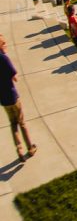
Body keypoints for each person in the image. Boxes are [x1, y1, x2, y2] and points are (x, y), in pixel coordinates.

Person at [0, 33, 36, 161]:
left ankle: (19, 149)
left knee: (13, 123)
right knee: (22, 123)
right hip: (12, 96)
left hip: (3, 99)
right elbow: (14, 76)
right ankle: (30, 147)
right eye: (3, 43)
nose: (6, 45)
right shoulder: (3, 58)